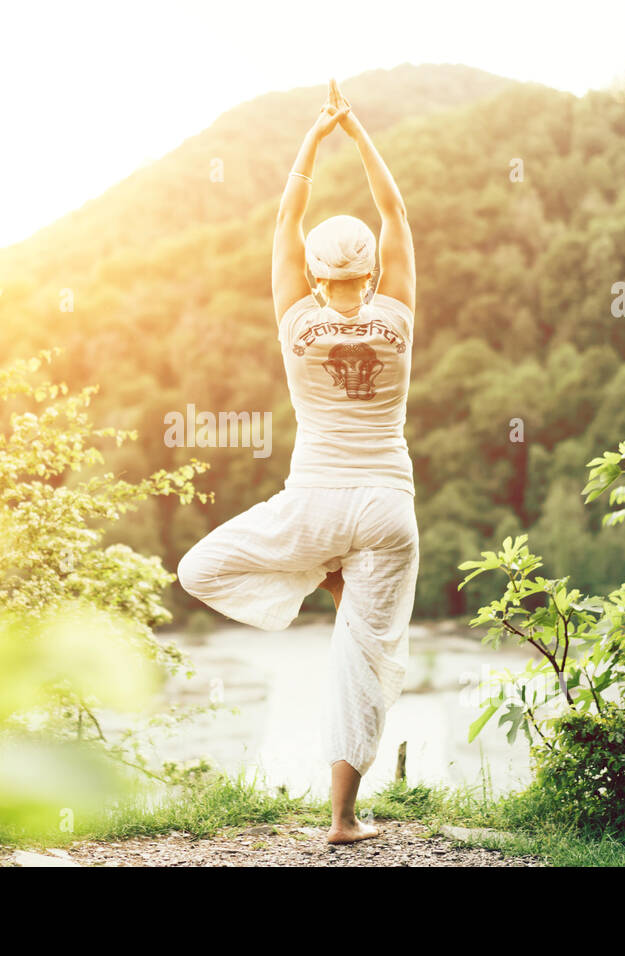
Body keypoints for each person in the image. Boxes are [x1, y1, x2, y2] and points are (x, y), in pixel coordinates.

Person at [177, 79, 419, 844]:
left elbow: (286, 219)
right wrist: (359, 133)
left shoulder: (296, 321)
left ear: (316, 277)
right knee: (364, 663)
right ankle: (344, 819)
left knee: (197, 569)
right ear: (373, 272)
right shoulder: (397, 315)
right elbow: (397, 214)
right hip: (386, 509)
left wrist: (315, 138)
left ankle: (320, 575)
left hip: (312, 501)